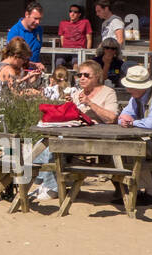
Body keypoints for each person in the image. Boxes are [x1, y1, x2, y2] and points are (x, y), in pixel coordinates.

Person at [30, 60, 119, 202]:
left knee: (55, 146)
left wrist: (90, 103)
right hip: (75, 135)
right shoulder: (77, 93)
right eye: (79, 75)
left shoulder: (108, 93)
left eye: (86, 75)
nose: (82, 78)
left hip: (97, 139)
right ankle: (45, 183)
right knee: (42, 144)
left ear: (97, 76)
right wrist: (68, 106)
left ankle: (53, 188)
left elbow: (112, 118)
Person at [117, 65, 152, 205]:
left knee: (132, 148)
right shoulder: (137, 96)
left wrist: (132, 123)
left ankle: (148, 193)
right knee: (125, 148)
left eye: (132, 86)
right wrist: (124, 120)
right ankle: (138, 191)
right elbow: (124, 115)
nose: (129, 89)